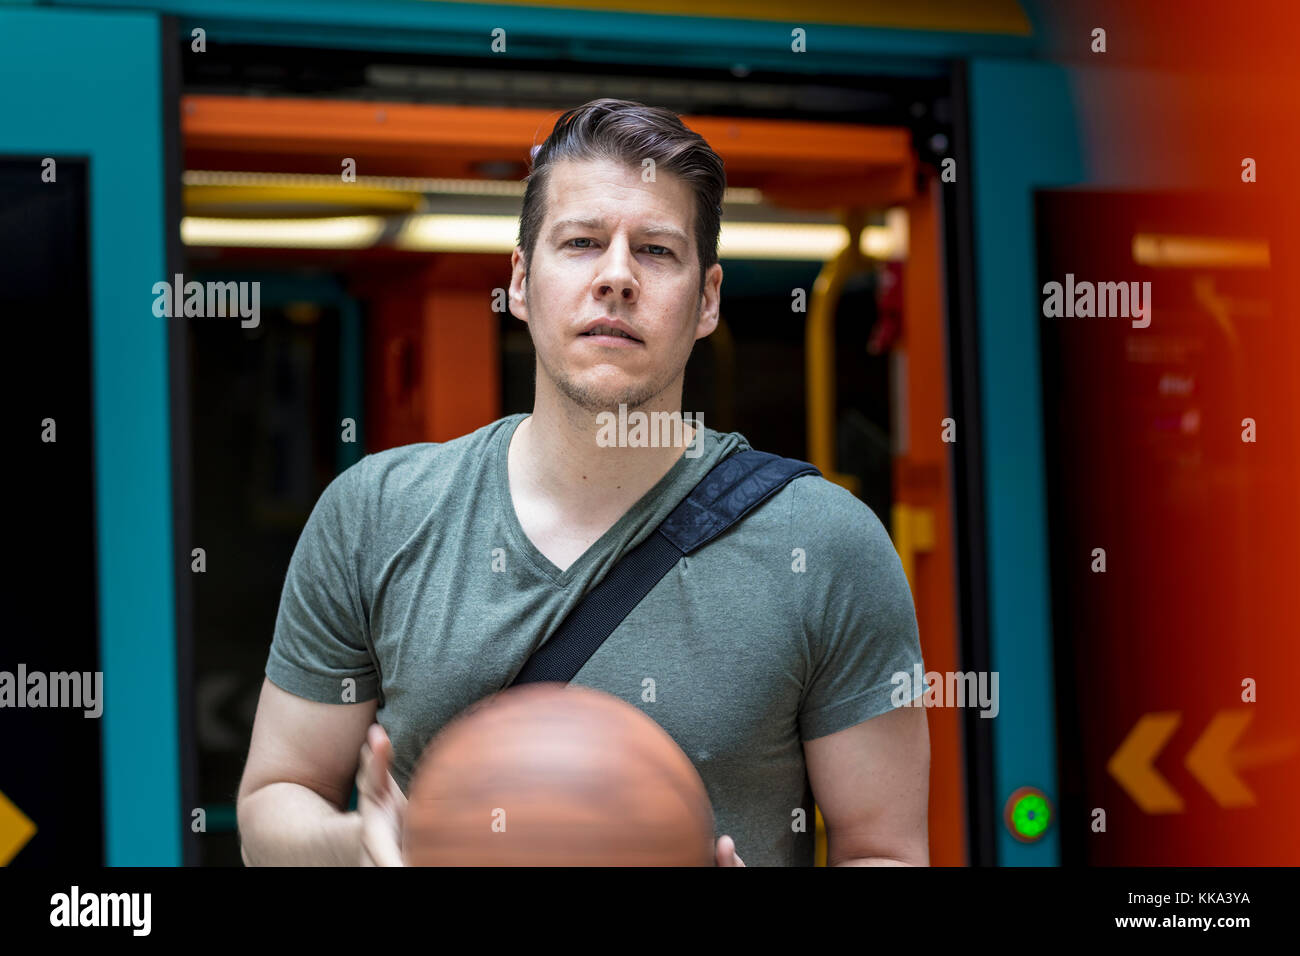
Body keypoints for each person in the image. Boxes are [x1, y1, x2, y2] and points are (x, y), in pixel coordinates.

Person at [236, 98, 929, 867]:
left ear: (707, 300)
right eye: (582, 242)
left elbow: (887, 850)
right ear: (522, 283)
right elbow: (274, 799)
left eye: (658, 251)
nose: (617, 277)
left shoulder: (827, 545)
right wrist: (362, 847)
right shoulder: (375, 514)